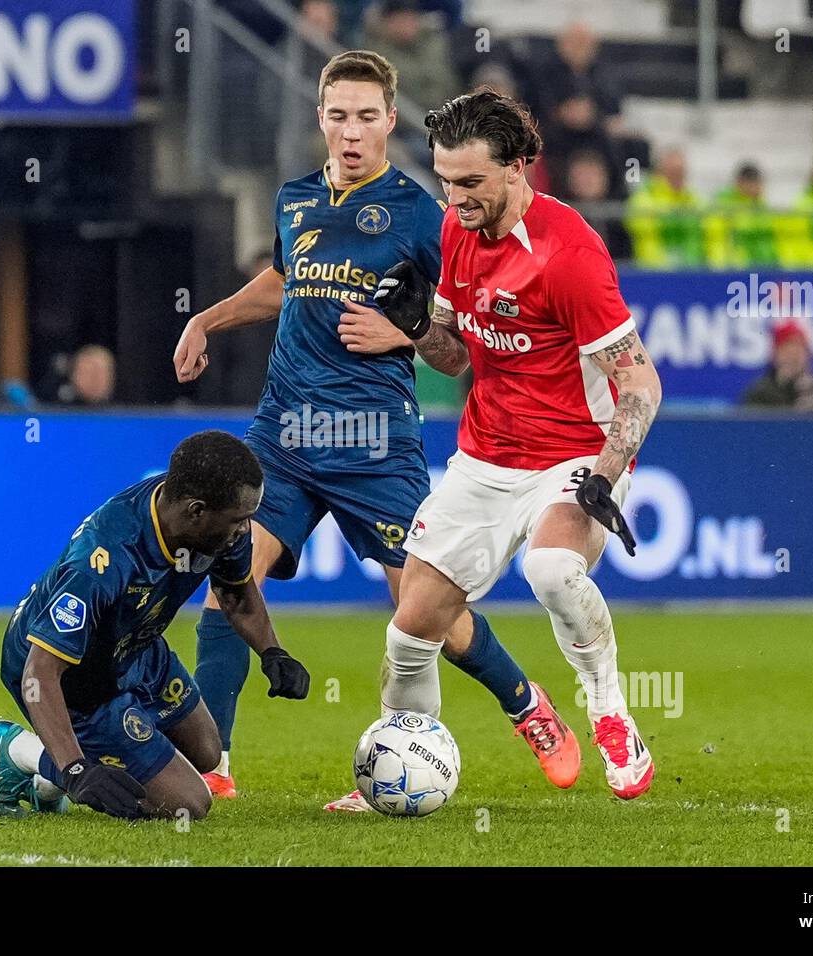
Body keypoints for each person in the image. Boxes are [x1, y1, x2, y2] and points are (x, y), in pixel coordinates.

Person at [174, 51, 557, 811]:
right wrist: (207, 318)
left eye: (367, 117)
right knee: (228, 580)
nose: (352, 133)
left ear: (390, 120)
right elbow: (283, 284)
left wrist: (403, 333)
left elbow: (462, 330)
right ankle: (211, 765)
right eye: (338, 116)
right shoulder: (294, 200)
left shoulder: (425, 215)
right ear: (321, 118)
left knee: (424, 613)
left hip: (373, 441)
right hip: (285, 433)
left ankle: (527, 707)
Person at [372, 89, 663, 800]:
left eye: (470, 183)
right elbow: (453, 359)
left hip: (573, 455)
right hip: (484, 457)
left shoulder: (569, 256)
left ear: (518, 168)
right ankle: (391, 770)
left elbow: (642, 383)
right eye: (445, 181)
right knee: (409, 634)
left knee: (554, 569)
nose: (456, 198)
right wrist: (415, 325)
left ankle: (610, 712)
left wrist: (605, 473)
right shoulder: (456, 230)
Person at [0, 431, 310, 820]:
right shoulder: (106, 556)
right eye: (238, 520)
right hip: (75, 677)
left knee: (206, 749)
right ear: (196, 511)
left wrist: (272, 651)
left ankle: (46, 781)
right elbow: (40, 672)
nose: (244, 530)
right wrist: (75, 770)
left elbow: (235, 593)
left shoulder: (212, 521)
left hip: (136, 645)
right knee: (188, 804)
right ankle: (17, 750)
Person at [625, 147, 706, 268]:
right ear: (659, 171)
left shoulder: (692, 197)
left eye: (681, 172)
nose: (677, 176)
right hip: (653, 270)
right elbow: (640, 225)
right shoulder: (644, 196)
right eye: (672, 172)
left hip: (691, 268)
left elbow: (708, 225)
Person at [742, 320, 813, 410]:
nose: (793, 356)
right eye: (787, 349)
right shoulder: (760, 394)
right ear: (775, 354)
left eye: (799, 349)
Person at [704, 162, 781, 268]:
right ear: (739, 182)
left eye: (758, 183)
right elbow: (717, 240)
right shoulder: (725, 206)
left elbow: (770, 241)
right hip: (738, 268)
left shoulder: (762, 208)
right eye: (752, 183)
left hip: (765, 267)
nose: (756, 187)